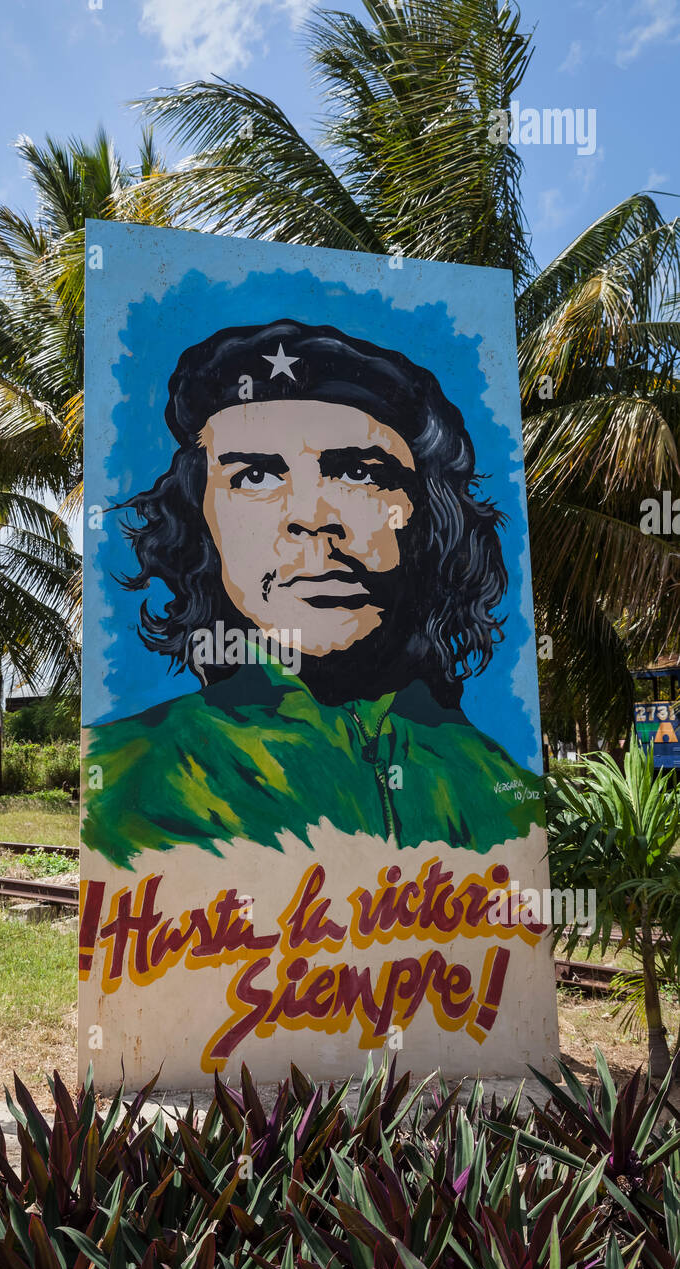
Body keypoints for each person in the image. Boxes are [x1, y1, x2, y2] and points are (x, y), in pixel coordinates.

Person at [83, 318, 543, 868]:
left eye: (357, 472)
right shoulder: (125, 782)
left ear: (427, 514)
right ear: (200, 520)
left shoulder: (503, 791)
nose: (311, 517)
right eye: (254, 477)